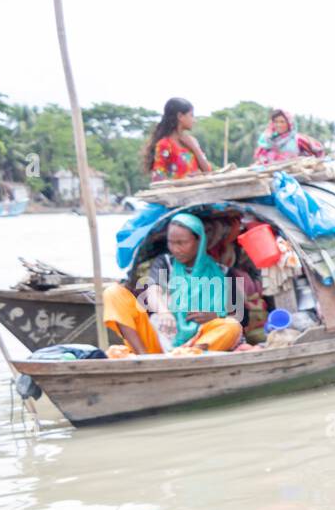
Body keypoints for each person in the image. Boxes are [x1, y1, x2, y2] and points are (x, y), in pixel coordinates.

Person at [102, 213, 243, 355]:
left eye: (181, 243)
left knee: (231, 326)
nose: (175, 249)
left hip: (199, 343)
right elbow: (153, 291)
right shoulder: (164, 262)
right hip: (157, 343)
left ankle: (187, 354)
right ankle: (143, 357)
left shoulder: (223, 273)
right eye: (171, 242)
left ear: (199, 241)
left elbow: (238, 314)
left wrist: (216, 316)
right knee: (113, 292)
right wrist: (164, 312)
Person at [143, 98, 212, 182]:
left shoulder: (193, 142)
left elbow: (208, 172)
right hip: (177, 194)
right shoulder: (165, 144)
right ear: (180, 116)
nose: (194, 120)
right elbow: (158, 178)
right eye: (191, 115)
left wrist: (195, 148)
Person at [252, 109, 325, 165]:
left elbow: (318, 152)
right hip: (269, 176)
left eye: (282, 122)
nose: (278, 125)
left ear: (289, 123)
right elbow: (260, 159)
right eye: (276, 122)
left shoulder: (298, 139)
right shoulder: (267, 140)